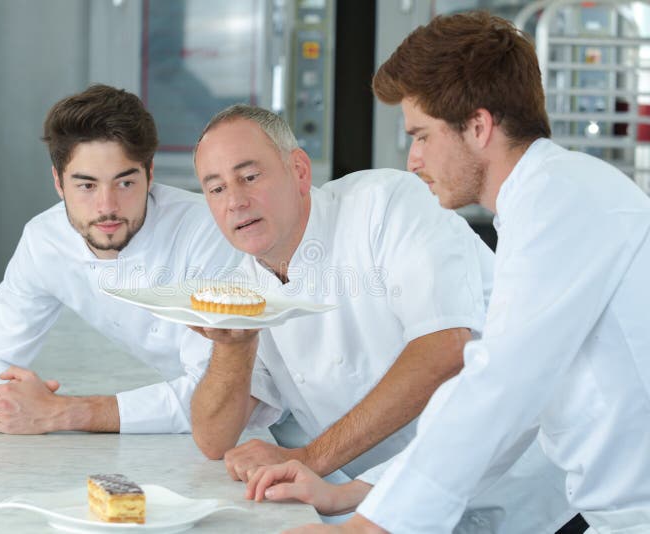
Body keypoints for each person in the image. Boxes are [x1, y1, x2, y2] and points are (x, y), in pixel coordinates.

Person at [247, 11, 650, 534]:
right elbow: (517, 407)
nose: (413, 160)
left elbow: (498, 390)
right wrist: (354, 495)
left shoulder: (561, 203)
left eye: (421, 136)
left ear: (478, 127)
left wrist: (365, 528)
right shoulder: (548, 199)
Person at [182, 103, 575, 532]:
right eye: (215, 189)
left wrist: (310, 458)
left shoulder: (385, 205)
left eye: (250, 177)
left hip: (528, 498)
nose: (235, 202)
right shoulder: (244, 285)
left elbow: (445, 348)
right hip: (396, 505)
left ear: (299, 171)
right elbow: (214, 439)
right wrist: (233, 347)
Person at [0, 84, 240, 435]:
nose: (107, 207)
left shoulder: (205, 233)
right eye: (87, 185)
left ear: (150, 174)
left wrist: (63, 412)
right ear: (58, 182)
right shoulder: (44, 241)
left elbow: (219, 399)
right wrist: (3, 402)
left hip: (275, 421)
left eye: (125, 184)